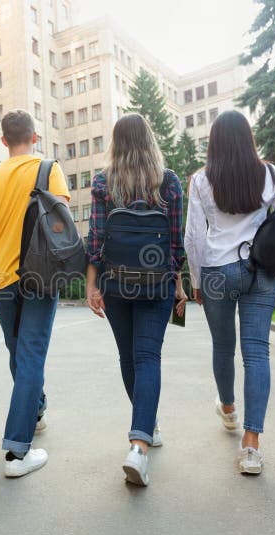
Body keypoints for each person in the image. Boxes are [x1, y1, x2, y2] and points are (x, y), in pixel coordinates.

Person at [184, 111, 275, 475]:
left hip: (216, 270)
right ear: (249, 138)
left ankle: (228, 409)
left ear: (213, 141)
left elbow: (194, 236)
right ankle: (251, 445)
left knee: (223, 347)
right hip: (261, 270)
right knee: (257, 353)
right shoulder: (272, 174)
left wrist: (196, 281)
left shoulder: (200, 180)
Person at [86, 113, 187, 486]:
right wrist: (177, 282)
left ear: (116, 141)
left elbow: (96, 240)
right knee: (147, 358)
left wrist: (92, 285)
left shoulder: (103, 182)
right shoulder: (169, 181)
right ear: (149, 139)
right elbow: (175, 243)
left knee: (128, 357)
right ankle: (140, 443)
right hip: (157, 283)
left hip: (116, 283)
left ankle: (144, 431)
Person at [0, 109, 71, 478]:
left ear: (2, 140)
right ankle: (17, 450)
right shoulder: (49, 169)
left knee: (18, 350)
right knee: (29, 354)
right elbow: (60, 223)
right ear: (35, 136)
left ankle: (36, 405)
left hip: (1, 277)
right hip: (40, 273)